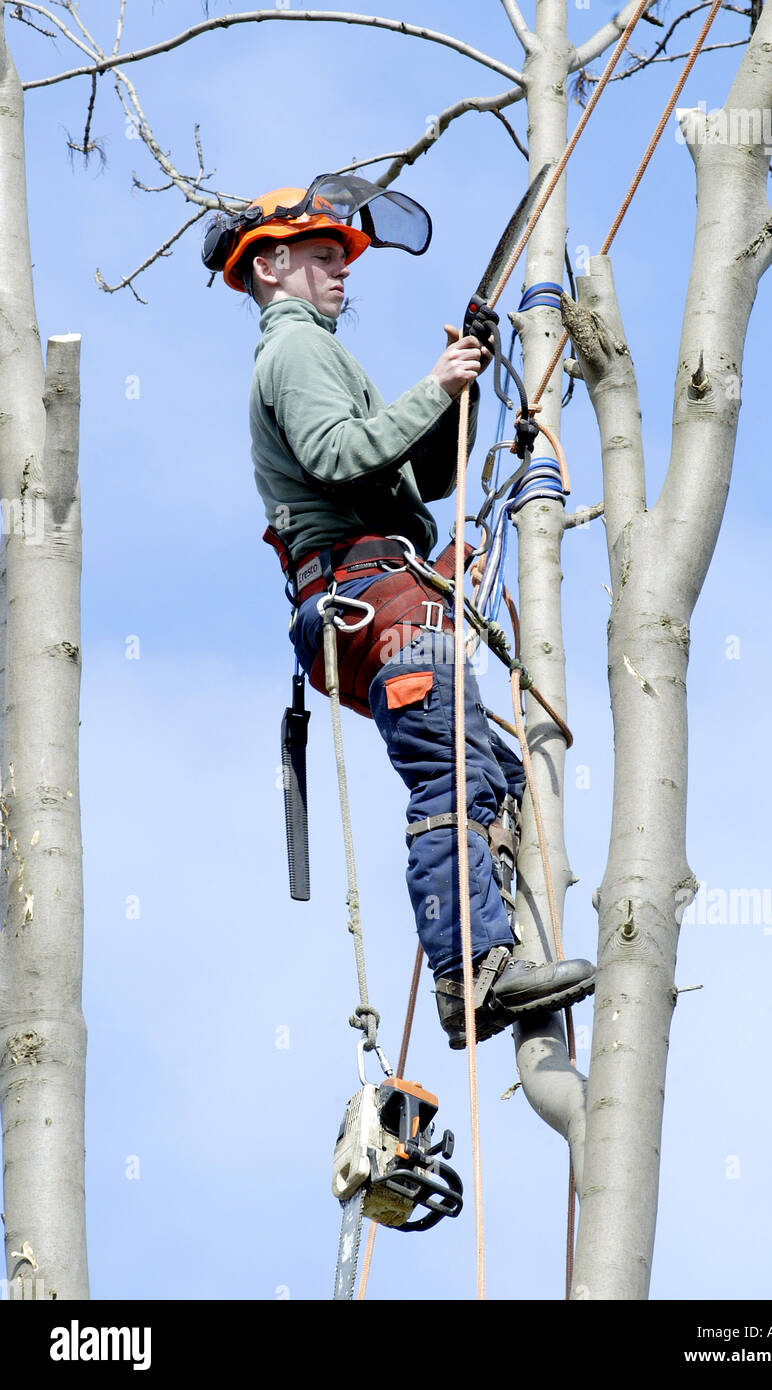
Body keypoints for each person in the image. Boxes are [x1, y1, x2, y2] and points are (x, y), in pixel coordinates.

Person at [208, 183, 594, 1047]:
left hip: (377, 597)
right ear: (269, 267)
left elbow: (420, 484)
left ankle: (491, 938)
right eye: (322, 256)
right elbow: (339, 458)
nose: (342, 270)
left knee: (488, 772)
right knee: (453, 773)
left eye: (343, 257)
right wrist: (432, 386)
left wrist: (456, 399)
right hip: (368, 600)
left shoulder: (319, 355)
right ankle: (474, 972)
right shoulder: (294, 352)